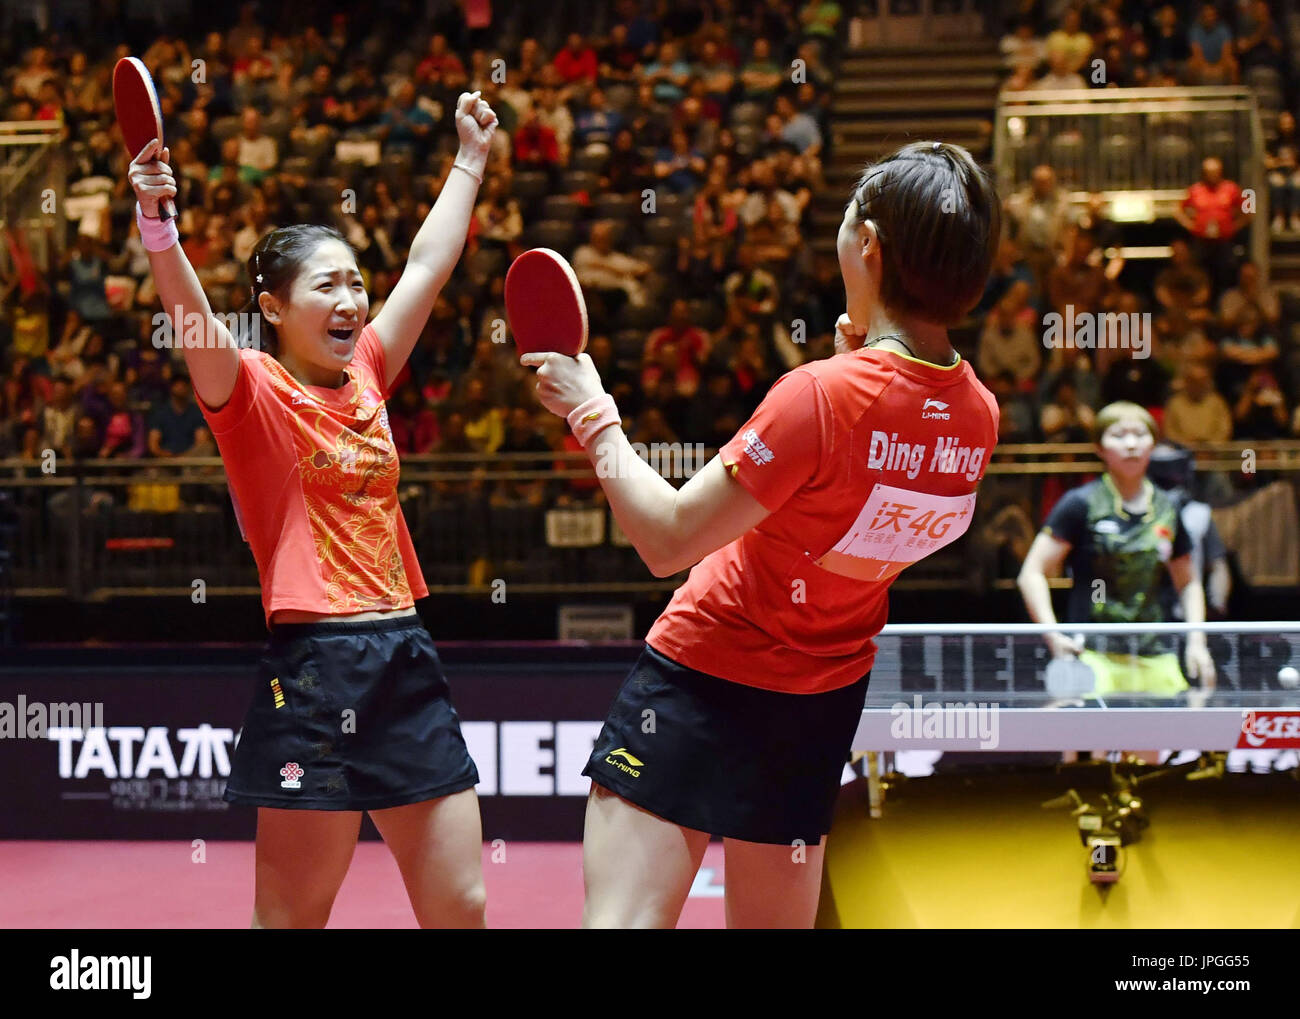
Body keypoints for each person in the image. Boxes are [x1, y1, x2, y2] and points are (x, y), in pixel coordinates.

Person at [521, 141, 1001, 928]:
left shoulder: (818, 394)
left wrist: (592, 412)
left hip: (704, 674)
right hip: (819, 701)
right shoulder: (977, 415)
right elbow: (864, 500)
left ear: (869, 246)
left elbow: (668, 539)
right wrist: (865, 366)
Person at [125, 90, 499, 929]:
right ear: (273, 309)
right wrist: (159, 227)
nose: (352, 300)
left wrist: (470, 159)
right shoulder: (248, 391)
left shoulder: (368, 365)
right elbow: (189, 319)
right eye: (327, 285)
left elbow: (428, 266)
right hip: (317, 664)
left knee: (463, 903)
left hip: (403, 648)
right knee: (291, 919)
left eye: (356, 284)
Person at [1017, 402, 1216, 700]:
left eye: (1140, 434)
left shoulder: (1169, 507)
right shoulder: (1080, 503)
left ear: (1153, 443)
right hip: (1092, 655)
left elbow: (1187, 581)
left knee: (1152, 745)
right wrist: (1053, 636)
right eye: (1119, 435)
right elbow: (1031, 573)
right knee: (1089, 745)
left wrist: (1197, 643)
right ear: (1099, 448)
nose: (1131, 444)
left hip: (1155, 654)